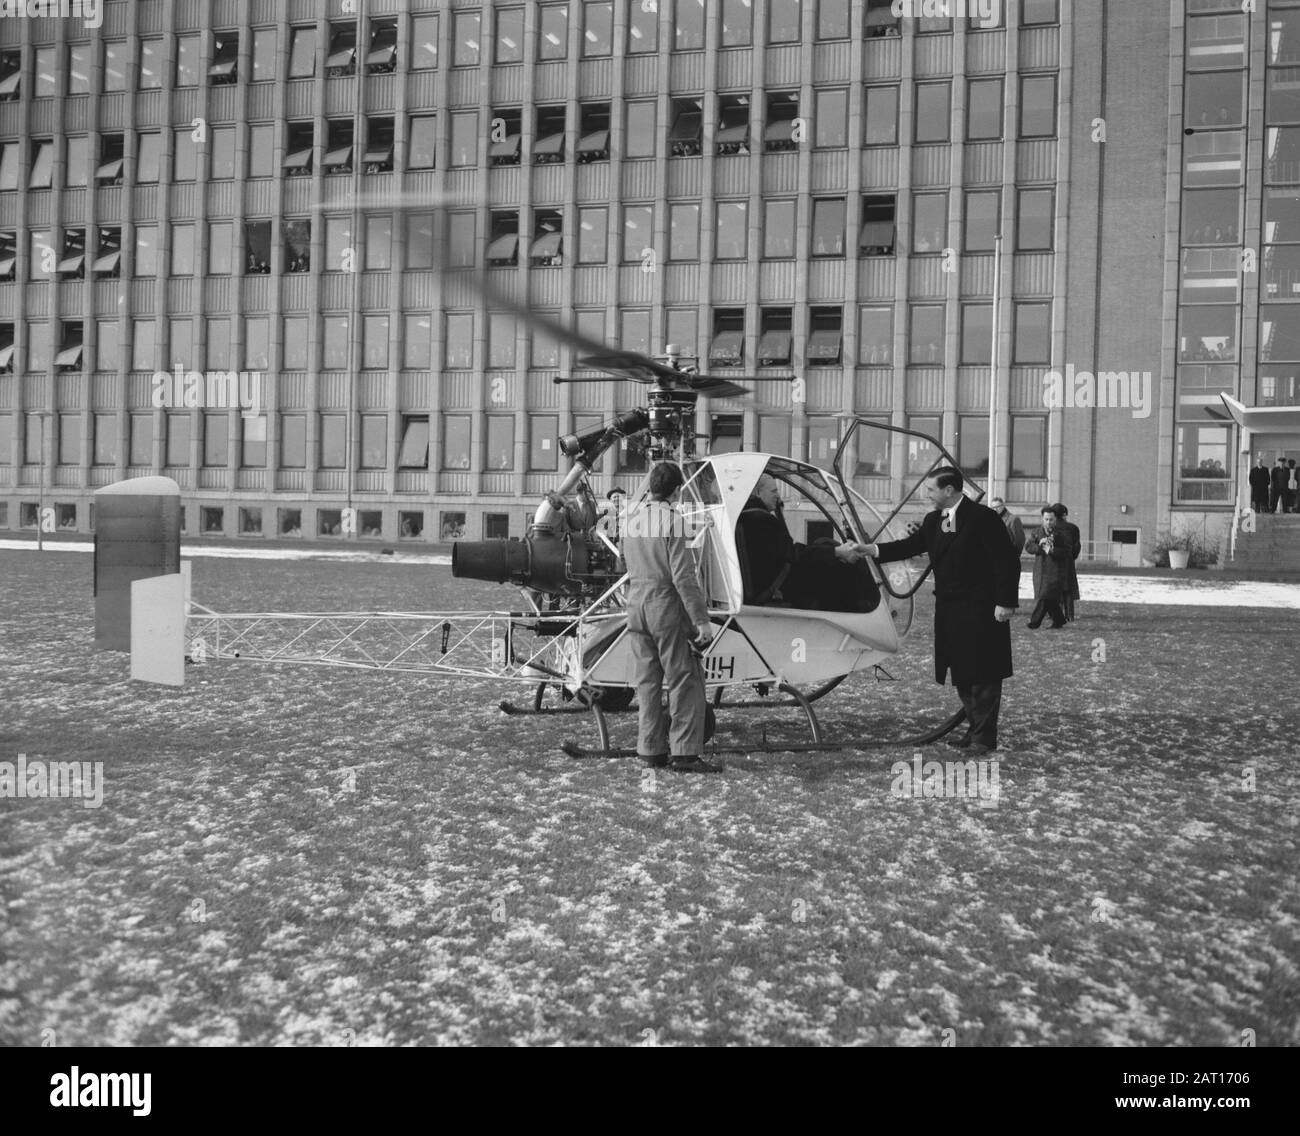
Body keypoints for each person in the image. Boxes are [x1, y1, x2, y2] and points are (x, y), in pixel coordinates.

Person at [857, 467, 1020, 754]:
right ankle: (975, 731)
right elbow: (909, 546)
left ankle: (984, 738)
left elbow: (1005, 561)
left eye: (931, 489)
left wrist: (1005, 602)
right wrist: (872, 550)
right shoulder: (934, 520)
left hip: (982, 610)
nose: (927, 494)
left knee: (984, 674)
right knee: (963, 672)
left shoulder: (983, 518)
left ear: (949, 490)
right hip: (951, 611)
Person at [622, 462, 719, 774]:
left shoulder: (631, 519)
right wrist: (701, 620)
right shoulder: (673, 521)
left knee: (648, 681)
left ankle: (649, 750)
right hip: (664, 603)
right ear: (677, 490)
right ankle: (685, 753)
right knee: (684, 677)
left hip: (635, 602)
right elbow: (684, 577)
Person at [736, 472, 868, 609]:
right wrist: (835, 552)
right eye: (773, 491)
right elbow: (793, 553)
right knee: (836, 572)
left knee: (823, 543)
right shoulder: (761, 520)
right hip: (777, 586)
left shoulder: (747, 517)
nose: (778, 496)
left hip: (769, 581)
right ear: (758, 492)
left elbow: (785, 550)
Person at [1023, 506, 1076, 629]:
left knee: (1044, 597)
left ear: (1055, 520)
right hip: (1040, 571)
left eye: (1051, 519)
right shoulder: (1036, 532)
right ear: (1042, 519)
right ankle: (1059, 620)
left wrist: (1052, 550)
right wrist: (1039, 547)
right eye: (1046, 519)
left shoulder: (1062, 534)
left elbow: (1067, 552)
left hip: (1056, 572)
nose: (1048, 522)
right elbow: (1028, 547)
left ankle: (1034, 622)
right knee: (1050, 599)